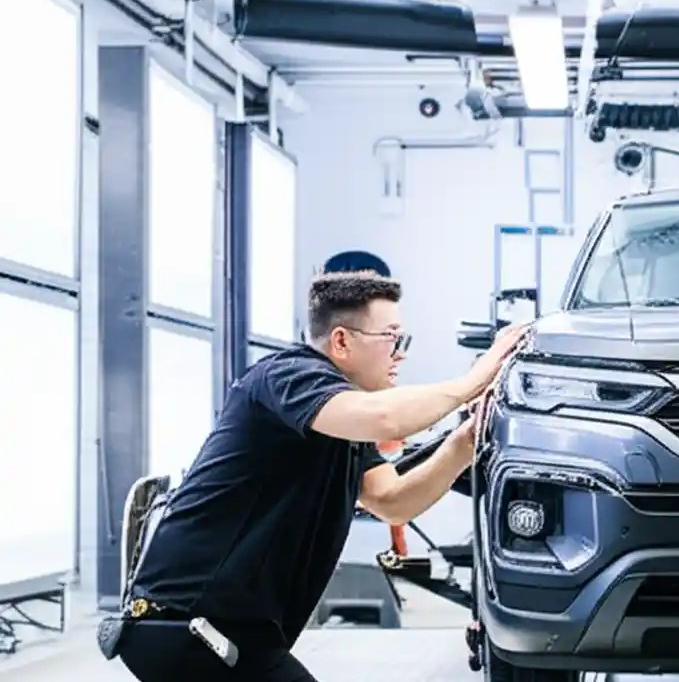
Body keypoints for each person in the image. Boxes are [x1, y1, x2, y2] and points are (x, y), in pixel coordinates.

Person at [116, 270, 527, 681]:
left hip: (238, 635)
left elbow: (392, 499)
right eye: (392, 338)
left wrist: (465, 441)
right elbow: (385, 418)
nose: (400, 354)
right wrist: (476, 378)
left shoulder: (340, 421)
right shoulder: (288, 376)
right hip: (188, 624)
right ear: (342, 341)